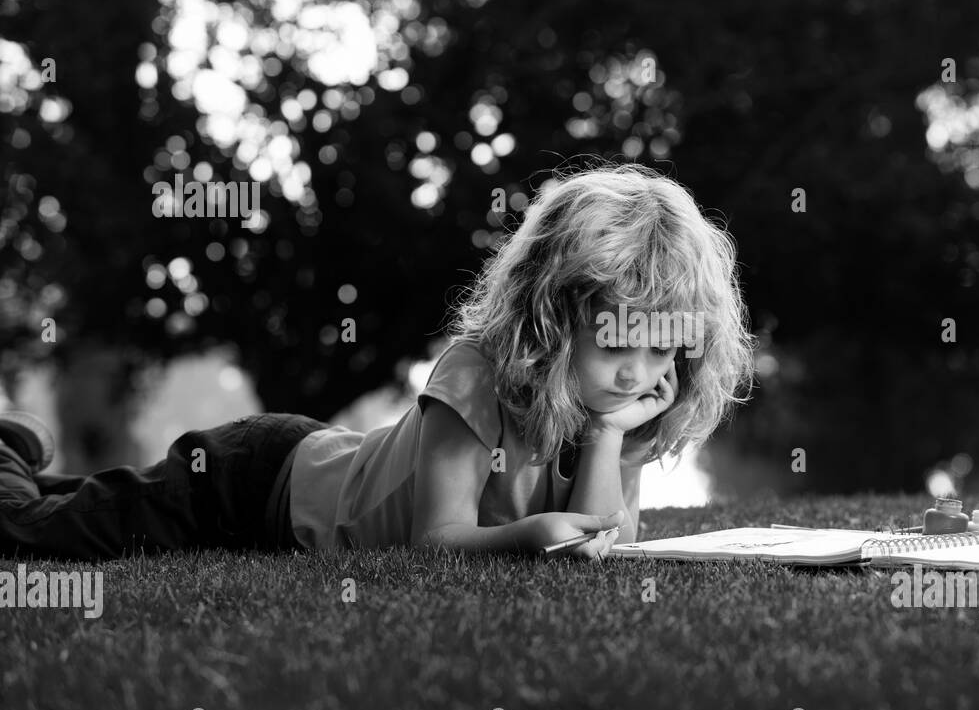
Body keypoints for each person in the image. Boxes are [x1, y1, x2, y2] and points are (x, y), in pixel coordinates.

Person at [0, 162, 757, 563]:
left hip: (292, 474)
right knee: (35, 535)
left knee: (88, 504)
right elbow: (438, 541)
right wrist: (529, 537)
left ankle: (26, 467)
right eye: (615, 342)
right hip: (252, 483)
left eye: (658, 346)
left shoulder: (619, 411)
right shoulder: (476, 375)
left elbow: (605, 544)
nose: (636, 372)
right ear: (555, 317)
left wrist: (607, 437)